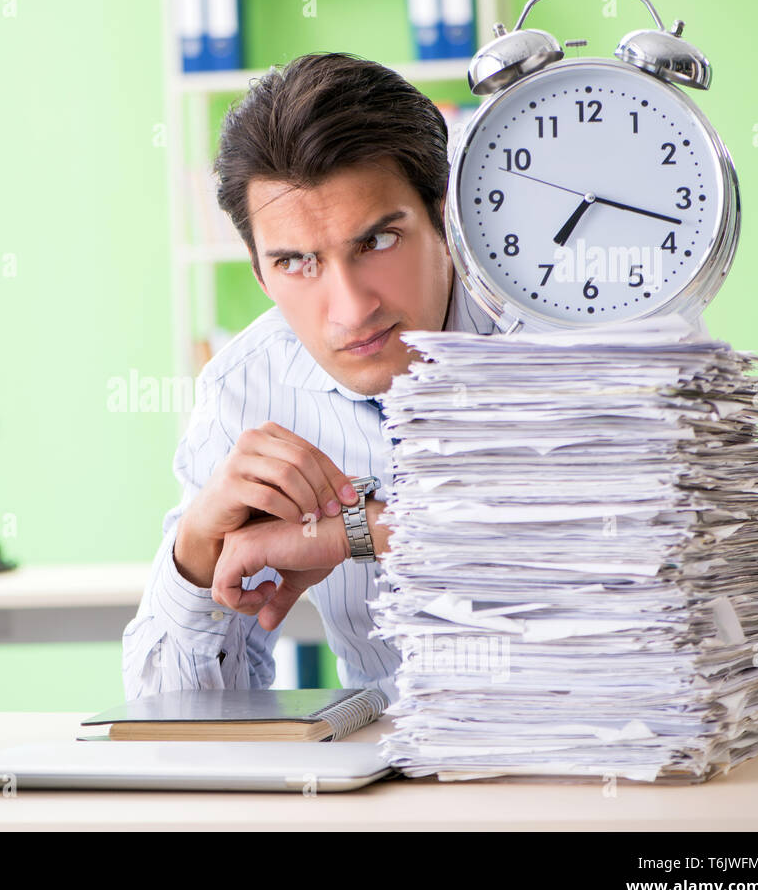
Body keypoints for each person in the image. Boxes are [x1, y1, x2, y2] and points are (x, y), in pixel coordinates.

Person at [122, 52, 496, 701]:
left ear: (448, 217)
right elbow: (172, 710)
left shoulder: (563, 334)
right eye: (297, 262)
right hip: (388, 779)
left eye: (376, 242)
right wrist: (195, 549)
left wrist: (351, 531)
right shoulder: (247, 387)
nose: (351, 309)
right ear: (259, 272)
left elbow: (629, 544)